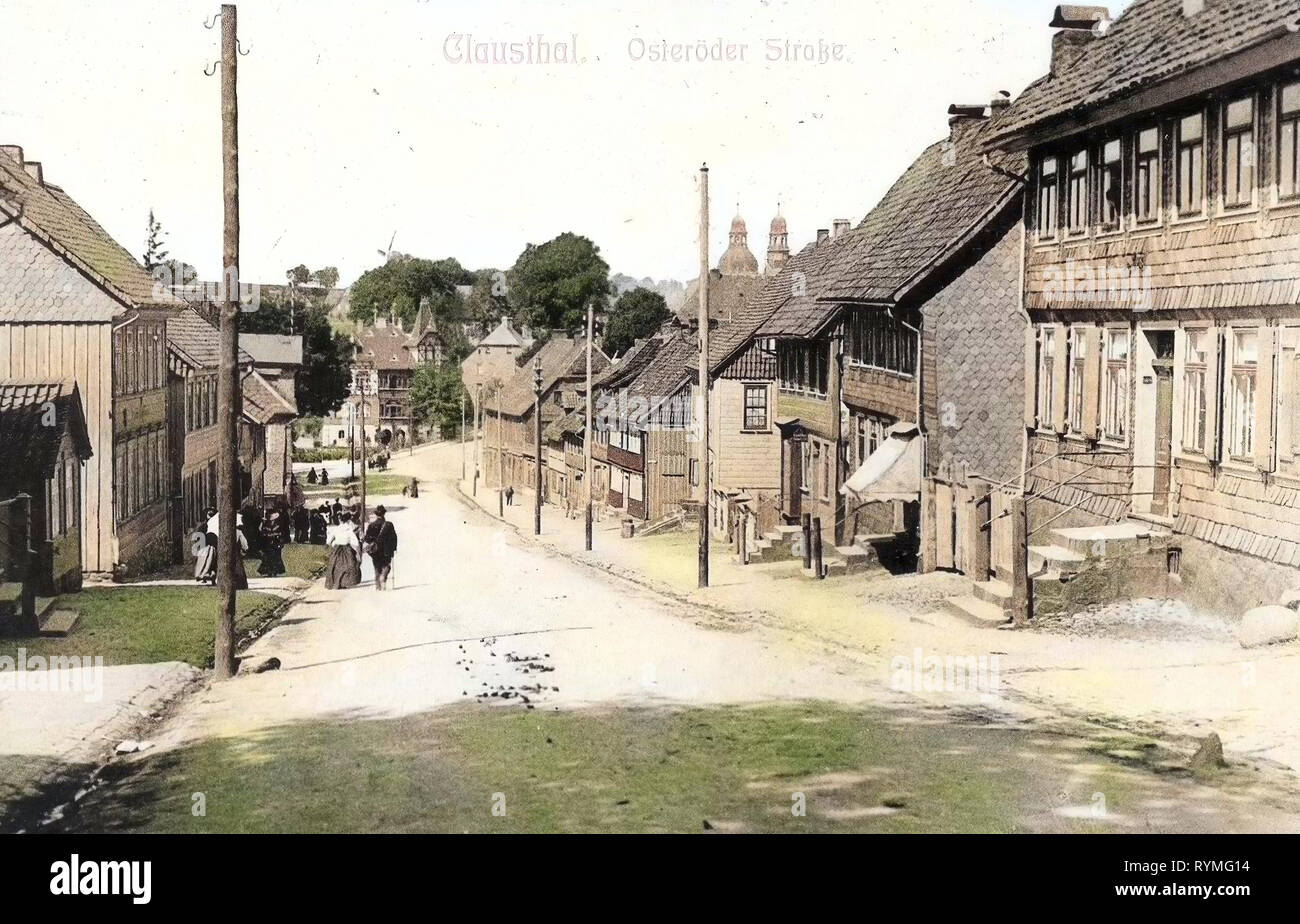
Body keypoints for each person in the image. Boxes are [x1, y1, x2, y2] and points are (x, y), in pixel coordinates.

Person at [363, 505, 398, 591]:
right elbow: (394, 537)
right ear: (384, 514)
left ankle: (378, 586)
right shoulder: (389, 524)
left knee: (376, 566)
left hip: (375, 549)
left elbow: (367, 539)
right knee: (387, 565)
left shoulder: (371, 525)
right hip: (386, 549)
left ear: (376, 514)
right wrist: (394, 548)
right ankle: (384, 577)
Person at [325, 511, 362, 589]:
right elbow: (355, 543)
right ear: (347, 520)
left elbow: (330, 539)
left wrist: (329, 544)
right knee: (348, 566)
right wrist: (358, 554)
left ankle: (336, 583)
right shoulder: (349, 530)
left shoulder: (336, 529)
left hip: (337, 549)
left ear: (340, 520)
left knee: (335, 566)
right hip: (346, 549)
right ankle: (343, 583)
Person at [258, 509, 287, 576]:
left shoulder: (278, 525)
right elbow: (262, 533)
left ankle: (275, 571)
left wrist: (281, 541)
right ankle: (269, 571)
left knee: (276, 557)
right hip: (268, 543)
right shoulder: (265, 524)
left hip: (276, 543)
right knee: (268, 557)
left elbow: (282, 533)